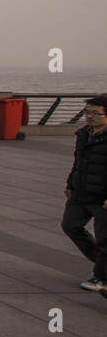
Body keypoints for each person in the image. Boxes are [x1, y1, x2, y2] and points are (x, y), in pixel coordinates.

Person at [64, 96, 107, 296]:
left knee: (104, 238)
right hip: (81, 191)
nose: (88, 116)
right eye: (86, 112)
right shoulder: (84, 134)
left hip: (102, 197)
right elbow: (78, 162)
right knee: (70, 225)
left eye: (94, 113)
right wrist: (70, 183)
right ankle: (101, 262)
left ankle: (101, 276)